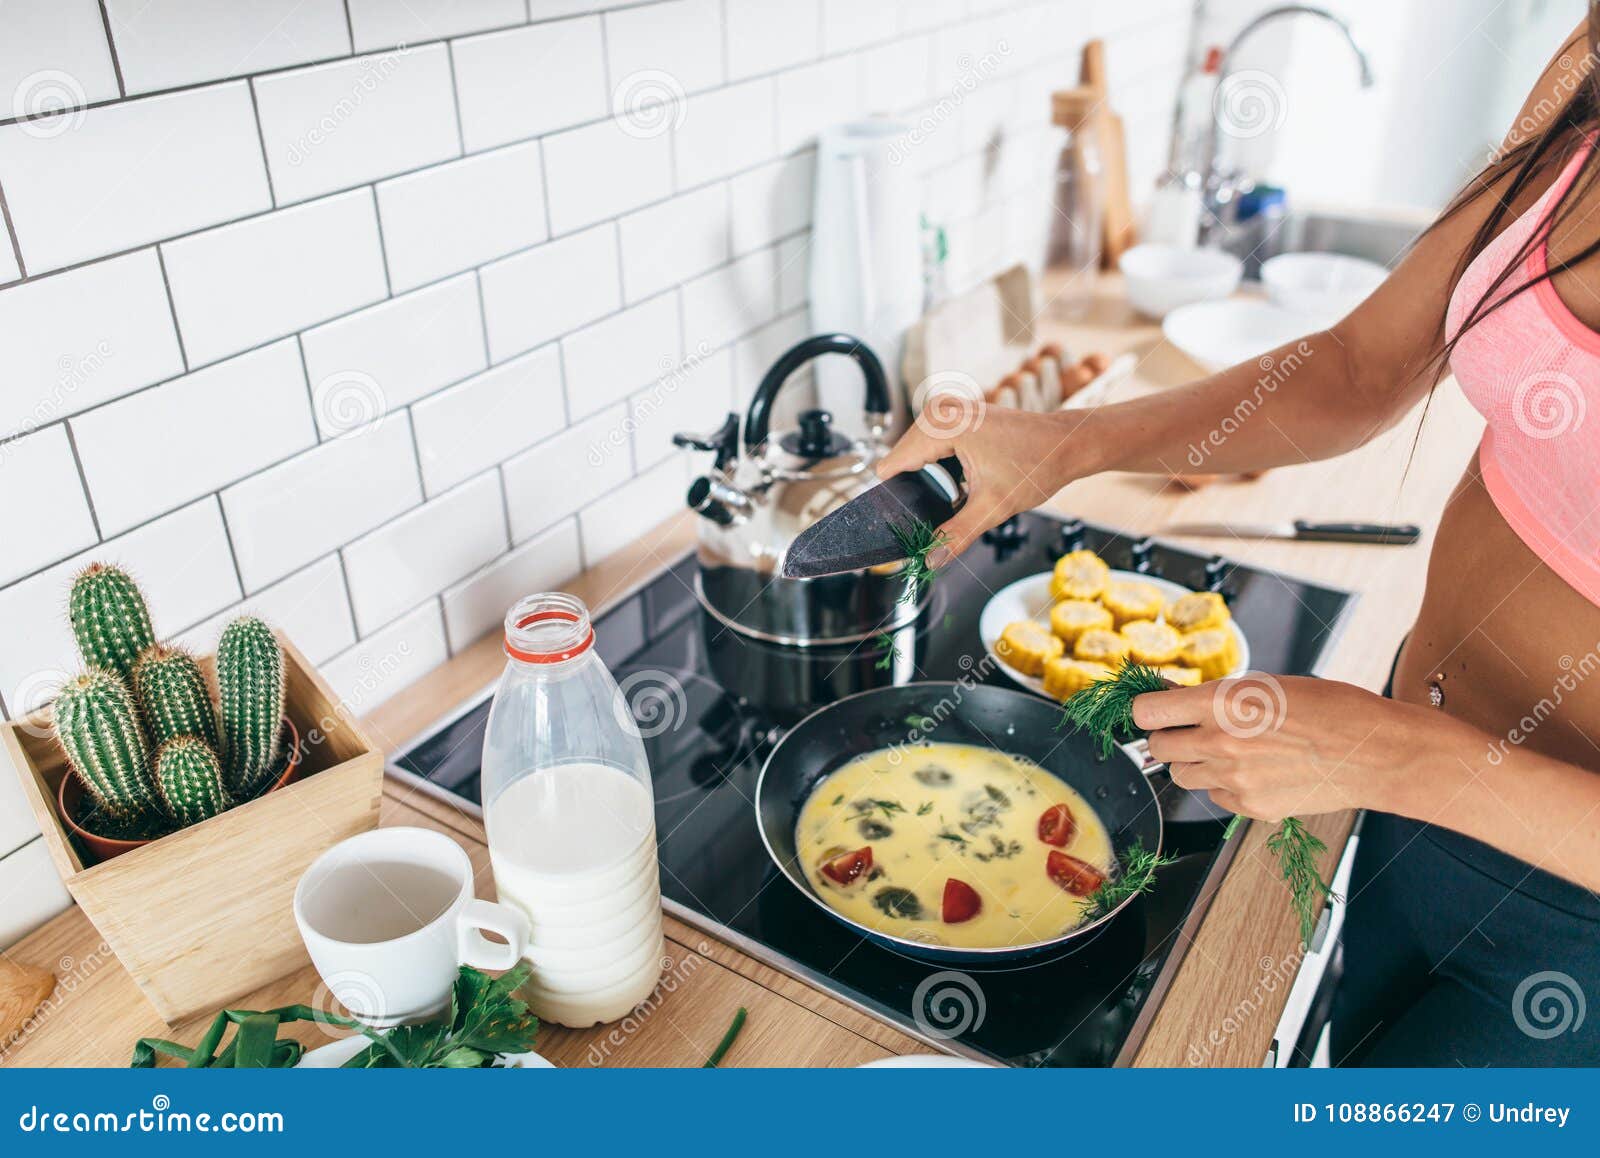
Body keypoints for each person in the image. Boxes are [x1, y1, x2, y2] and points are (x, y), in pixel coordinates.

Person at [875, 18, 1600, 1066]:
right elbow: (1359, 368)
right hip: (1406, 804)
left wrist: (1398, 757)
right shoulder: (1585, 73)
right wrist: (1061, 446)